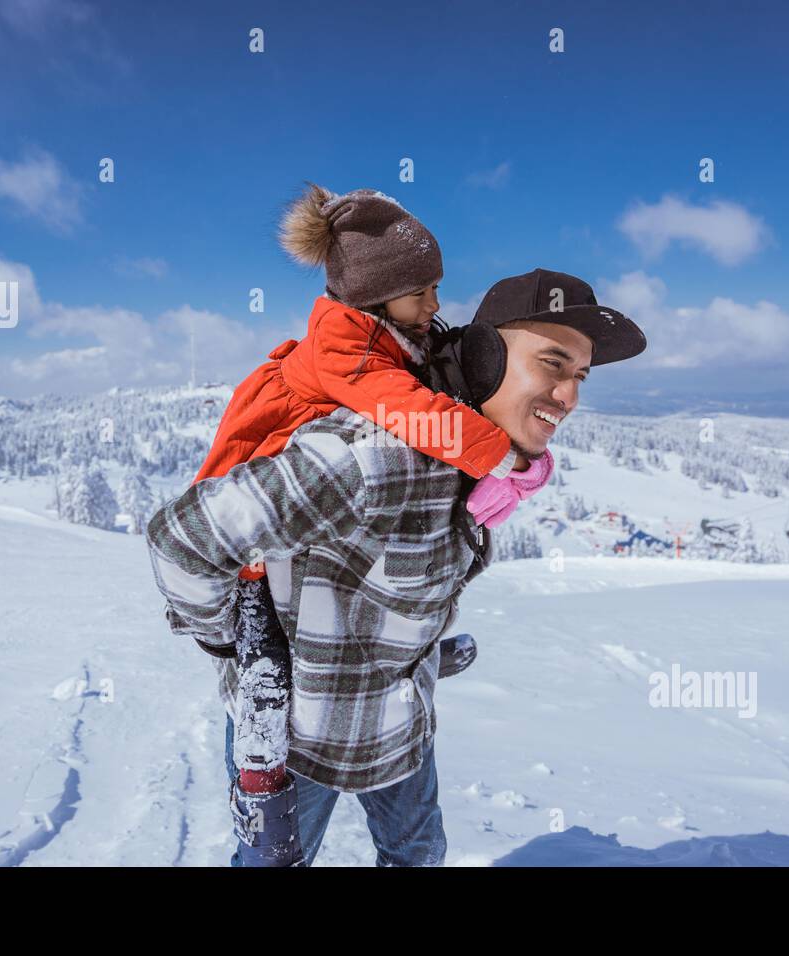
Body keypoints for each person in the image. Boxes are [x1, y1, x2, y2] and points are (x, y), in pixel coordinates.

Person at [145, 267, 646, 866]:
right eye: (553, 364)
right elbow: (182, 539)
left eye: (580, 377)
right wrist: (239, 648)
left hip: (400, 727)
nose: (569, 396)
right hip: (300, 739)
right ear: (484, 356)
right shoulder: (373, 455)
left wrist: (421, 648)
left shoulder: (481, 464)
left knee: (418, 854)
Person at [184, 184, 555, 826]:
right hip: (266, 495)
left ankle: (402, 651)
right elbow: (416, 414)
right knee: (267, 572)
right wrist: (502, 455)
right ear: (375, 295)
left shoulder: (381, 336)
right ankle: (257, 652)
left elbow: (426, 377)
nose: (435, 304)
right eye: (422, 293)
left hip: (310, 506)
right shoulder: (343, 349)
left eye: (437, 288)